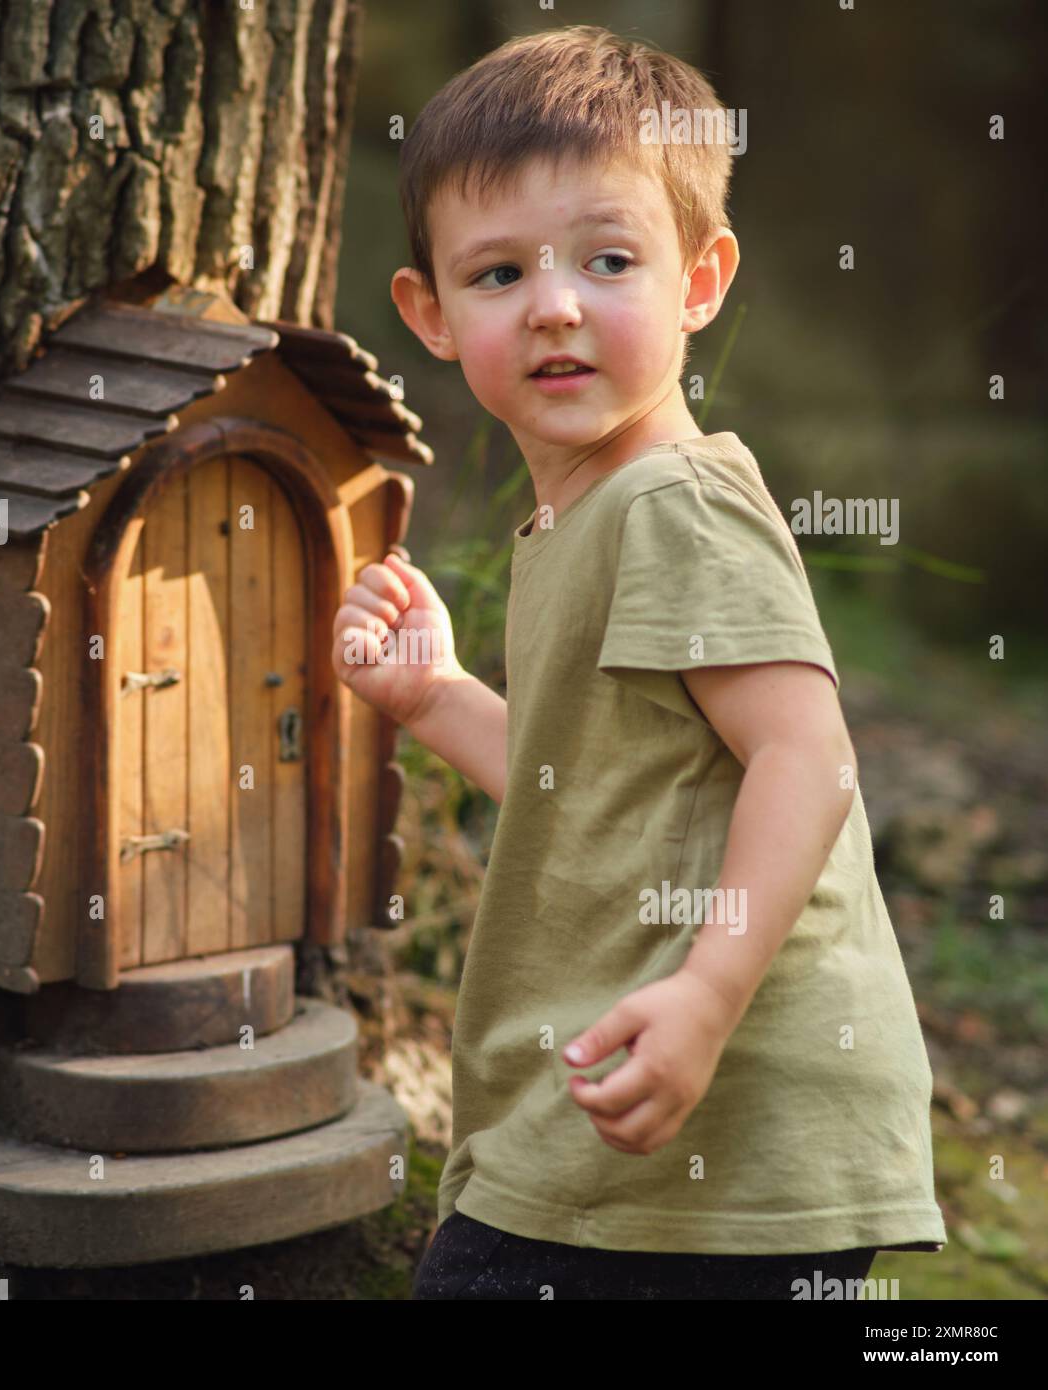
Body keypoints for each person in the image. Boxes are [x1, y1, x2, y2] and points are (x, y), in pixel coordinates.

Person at [331, 25, 947, 1300]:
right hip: (645, 1123)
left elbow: (806, 754)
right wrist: (435, 697)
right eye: (499, 273)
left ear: (701, 281)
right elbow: (595, 789)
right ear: (430, 315)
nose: (555, 303)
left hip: (726, 1127)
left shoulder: (675, 502)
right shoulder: (586, 516)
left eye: (608, 260)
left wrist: (709, 991)